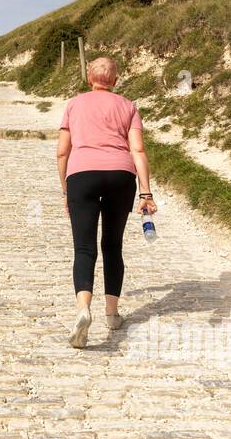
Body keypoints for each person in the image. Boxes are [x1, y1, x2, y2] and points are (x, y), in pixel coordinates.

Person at [56, 56, 156, 348]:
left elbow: (62, 151)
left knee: (84, 248)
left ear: (90, 77)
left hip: (82, 175)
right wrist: (146, 193)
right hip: (120, 176)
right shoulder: (128, 106)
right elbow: (137, 149)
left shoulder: (74, 104)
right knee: (112, 246)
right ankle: (111, 314)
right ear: (115, 79)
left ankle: (83, 309)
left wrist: (66, 189)